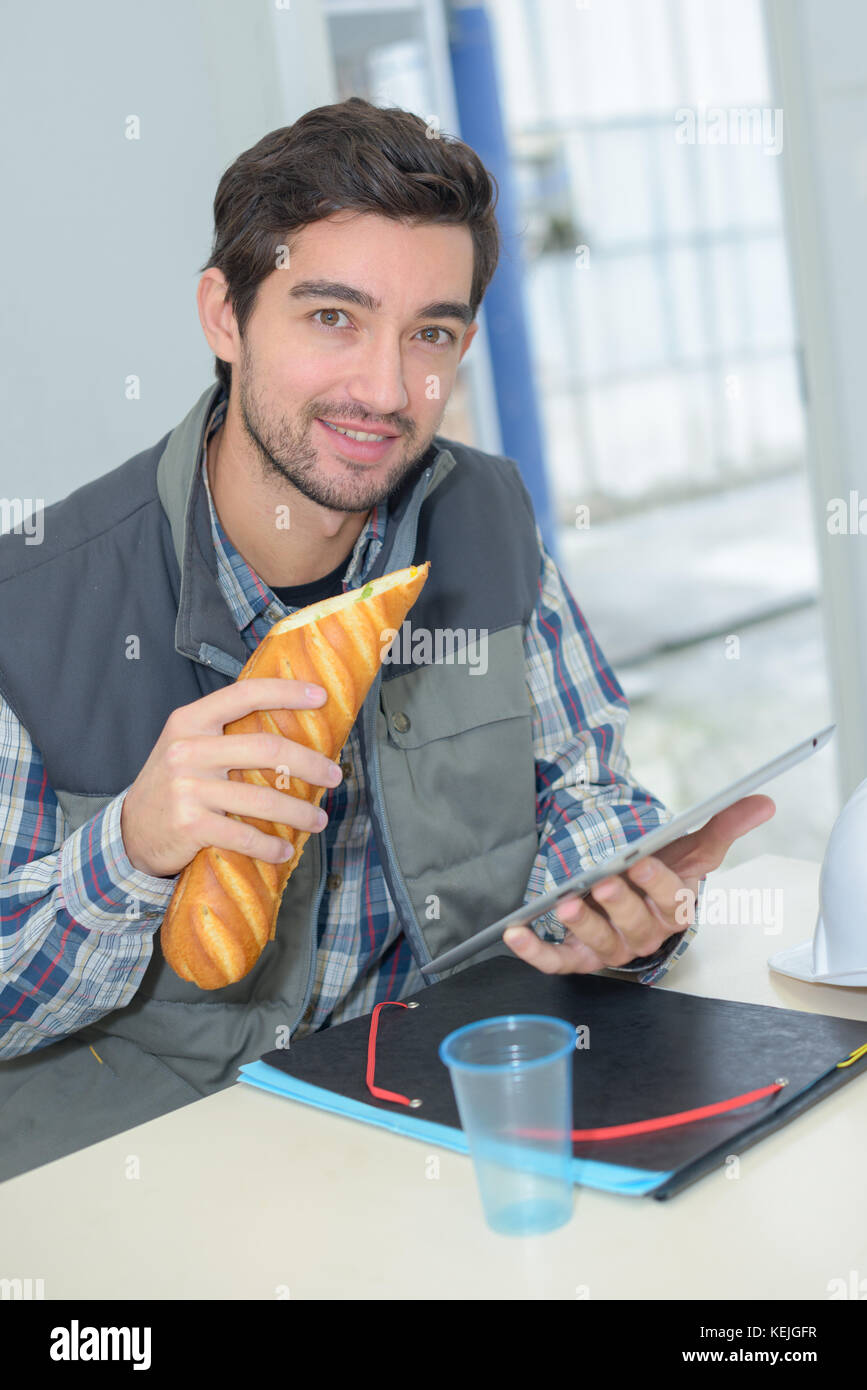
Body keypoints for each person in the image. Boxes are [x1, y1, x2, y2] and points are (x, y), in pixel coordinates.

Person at [0, 98, 773, 1182]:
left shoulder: (484, 518)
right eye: (332, 317)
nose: (383, 388)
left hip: (428, 1127)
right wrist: (126, 849)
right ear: (225, 316)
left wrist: (606, 903)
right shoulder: (27, 608)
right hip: (152, 1182)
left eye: (432, 334)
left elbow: (578, 788)